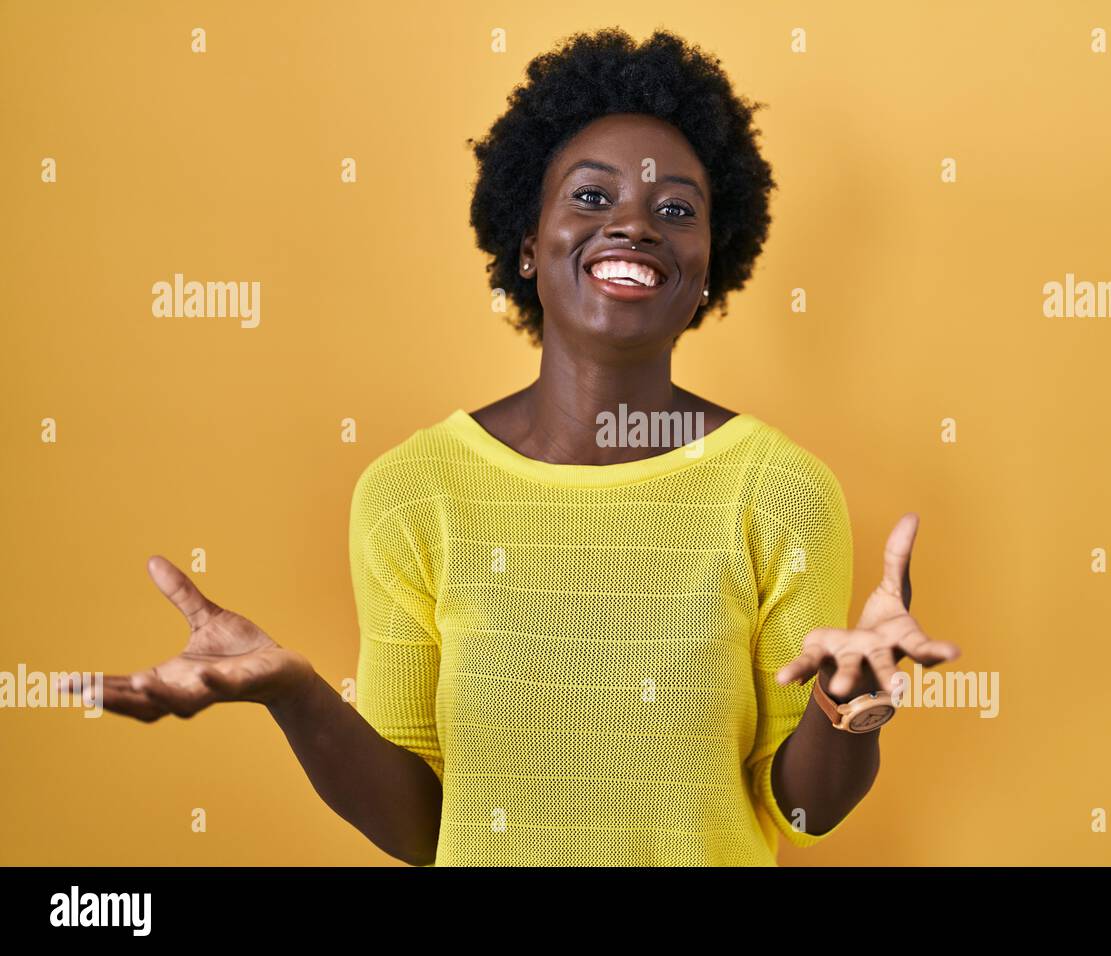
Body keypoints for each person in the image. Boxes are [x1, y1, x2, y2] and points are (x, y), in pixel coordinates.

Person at [88, 28, 960, 866]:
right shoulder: (412, 493)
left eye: (676, 210)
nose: (634, 225)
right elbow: (421, 832)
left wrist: (850, 701)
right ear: (528, 244)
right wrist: (294, 694)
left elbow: (803, 813)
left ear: (706, 269)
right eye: (590, 197)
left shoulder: (782, 492)